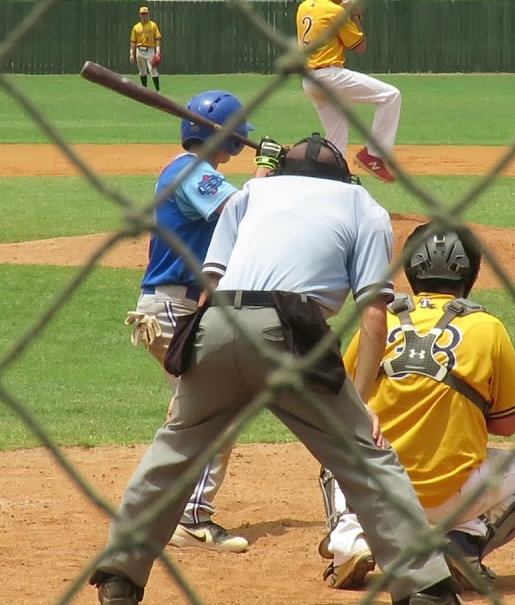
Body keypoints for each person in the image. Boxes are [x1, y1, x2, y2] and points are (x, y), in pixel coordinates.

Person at [89, 135, 464, 605]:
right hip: (289, 332)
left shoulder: (250, 194)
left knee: (175, 450)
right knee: (366, 460)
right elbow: (373, 314)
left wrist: (191, 378)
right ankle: (424, 587)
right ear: (342, 177)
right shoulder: (362, 205)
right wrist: (363, 400)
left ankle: (120, 574)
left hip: (217, 325)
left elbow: (209, 291)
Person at [318, 223, 515, 594]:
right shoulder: (488, 327)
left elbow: (342, 403)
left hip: (379, 488)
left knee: (335, 452)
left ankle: (352, 540)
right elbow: (508, 425)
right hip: (454, 493)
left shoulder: (381, 321)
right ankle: (463, 542)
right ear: (471, 274)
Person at [121, 89, 263, 555]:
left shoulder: (195, 171)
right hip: (172, 309)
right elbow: (243, 213)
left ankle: (163, 508)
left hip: (179, 308)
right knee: (214, 409)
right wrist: (267, 174)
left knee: (196, 409)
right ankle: (190, 518)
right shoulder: (187, 171)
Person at [296, 0, 402, 184]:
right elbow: (360, 46)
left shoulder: (304, 6)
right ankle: (373, 155)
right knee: (390, 95)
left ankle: (334, 179)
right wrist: (355, 15)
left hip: (309, 80)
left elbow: (325, 19)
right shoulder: (336, 12)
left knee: (337, 135)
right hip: (329, 75)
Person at [129, 5, 162, 92]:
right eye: (142, 14)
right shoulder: (136, 27)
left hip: (150, 50)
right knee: (142, 71)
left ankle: (158, 90)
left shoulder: (153, 25)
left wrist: (158, 51)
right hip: (139, 50)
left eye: (146, 14)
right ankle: (144, 90)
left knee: (152, 69)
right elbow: (133, 41)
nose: (144, 16)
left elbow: (158, 38)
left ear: (148, 15)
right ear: (140, 15)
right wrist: (131, 54)